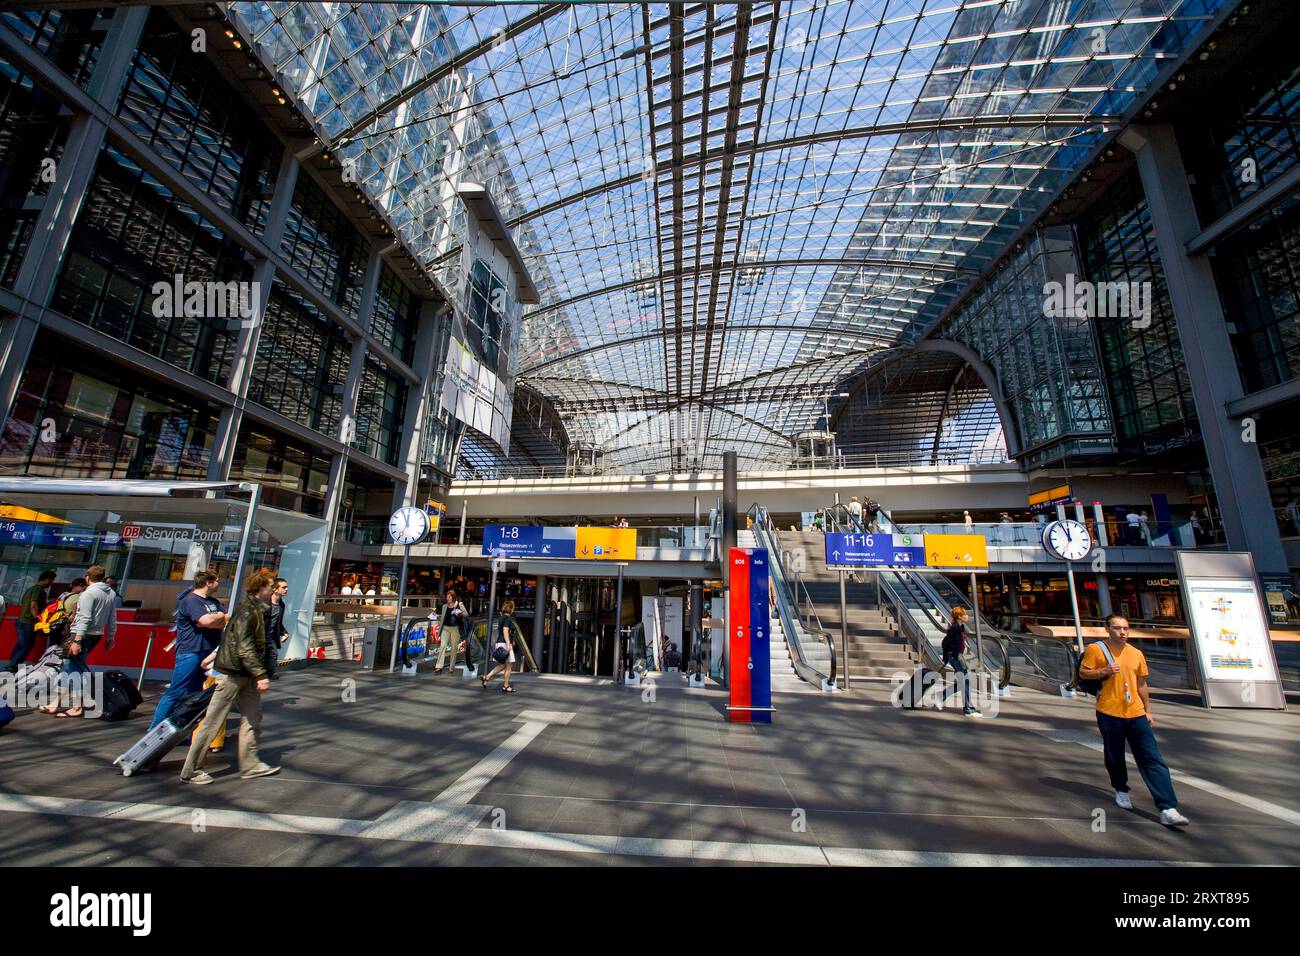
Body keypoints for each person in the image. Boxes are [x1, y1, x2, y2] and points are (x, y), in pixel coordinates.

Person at [1078, 613, 1188, 827]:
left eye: (1126, 628)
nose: (1122, 632)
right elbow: (1083, 673)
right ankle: (1120, 788)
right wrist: (1103, 671)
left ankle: (1167, 807)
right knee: (1115, 755)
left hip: (1135, 713)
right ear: (1107, 629)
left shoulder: (1136, 653)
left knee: (1152, 758)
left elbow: (1141, 684)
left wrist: (1147, 710)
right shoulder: (1096, 650)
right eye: (1117, 628)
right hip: (1109, 711)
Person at [180, 570, 280, 784]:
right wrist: (260, 673)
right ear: (260, 588)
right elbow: (243, 646)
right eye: (271, 585)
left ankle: (250, 764)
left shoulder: (260, 610)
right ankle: (191, 769)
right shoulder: (248, 611)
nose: (274, 589)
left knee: (253, 717)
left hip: (246, 674)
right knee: (213, 721)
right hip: (234, 673)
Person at [149, 572, 227, 729]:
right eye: (217, 581)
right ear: (208, 583)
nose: (220, 583)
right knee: (177, 690)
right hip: (190, 651)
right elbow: (206, 621)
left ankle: (180, 727)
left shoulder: (213, 601)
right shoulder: (191, 601)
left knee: (196, 691)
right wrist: (215, 619)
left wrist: (216, 618)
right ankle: (155, 729)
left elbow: (225, 620)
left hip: (208, 651)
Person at [41, 565, 117, 717]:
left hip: (81, 635)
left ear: (87, 578)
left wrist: (76, 640)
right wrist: (110, 636)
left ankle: (77, 706)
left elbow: (84, 618)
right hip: (96, 634)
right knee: (67, 666)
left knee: (72, 669)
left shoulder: (88, 594)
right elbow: (112, 616)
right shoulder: (110, 594)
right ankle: (56, 703)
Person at [6, 569, 55, 673]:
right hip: (28, 621)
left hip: (22, 620)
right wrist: (38, 619)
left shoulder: (31, 589)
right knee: (26, 643)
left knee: (22, 643)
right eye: (51, 581)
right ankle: (13, 664)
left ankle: (13, 663)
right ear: (47, 579)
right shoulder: (38, 589)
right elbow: (33, 605)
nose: (51, 584)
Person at [940, 607, 981, 717]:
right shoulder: (955, 628)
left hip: (959, 656)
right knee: (965, 681)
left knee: (964, 682)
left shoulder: (960, 627)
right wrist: (949, 655)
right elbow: (945, 642)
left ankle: (941, 696)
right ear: (959, 616)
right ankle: (968, 709)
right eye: (965, 614)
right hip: (955, 657)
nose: (967, 616)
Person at [481, 598, 518, 693]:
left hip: (499, 643)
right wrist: (508, 643)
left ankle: (487, 677)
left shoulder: (501, 618)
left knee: (502, 665)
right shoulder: (507, 619)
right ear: (511, 609)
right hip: (505, 644)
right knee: (509, 666)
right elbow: (505, 631)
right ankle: (506, 686)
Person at [434, 588, 468, 673]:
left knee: (453, 648)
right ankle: (439, 666)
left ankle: (451, 667)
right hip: (445, 628)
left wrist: (459, 613)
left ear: (453, 597)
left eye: (449, 597)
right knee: (442, 646)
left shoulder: (459, 604)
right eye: (447, 597)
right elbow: (442, 617)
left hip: (455, 628)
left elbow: (466, 614)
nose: (447, 598)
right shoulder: (444, 606)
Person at [262, 577, 289, 680]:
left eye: (287, 587)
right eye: (284, 587)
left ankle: (266, 678)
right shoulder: (264, 603)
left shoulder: (281, 605)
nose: (286, 589)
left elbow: (278, 622)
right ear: (275, 589)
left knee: (273, 659)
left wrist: (284, 632)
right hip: (261, 638)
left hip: (271, 639)